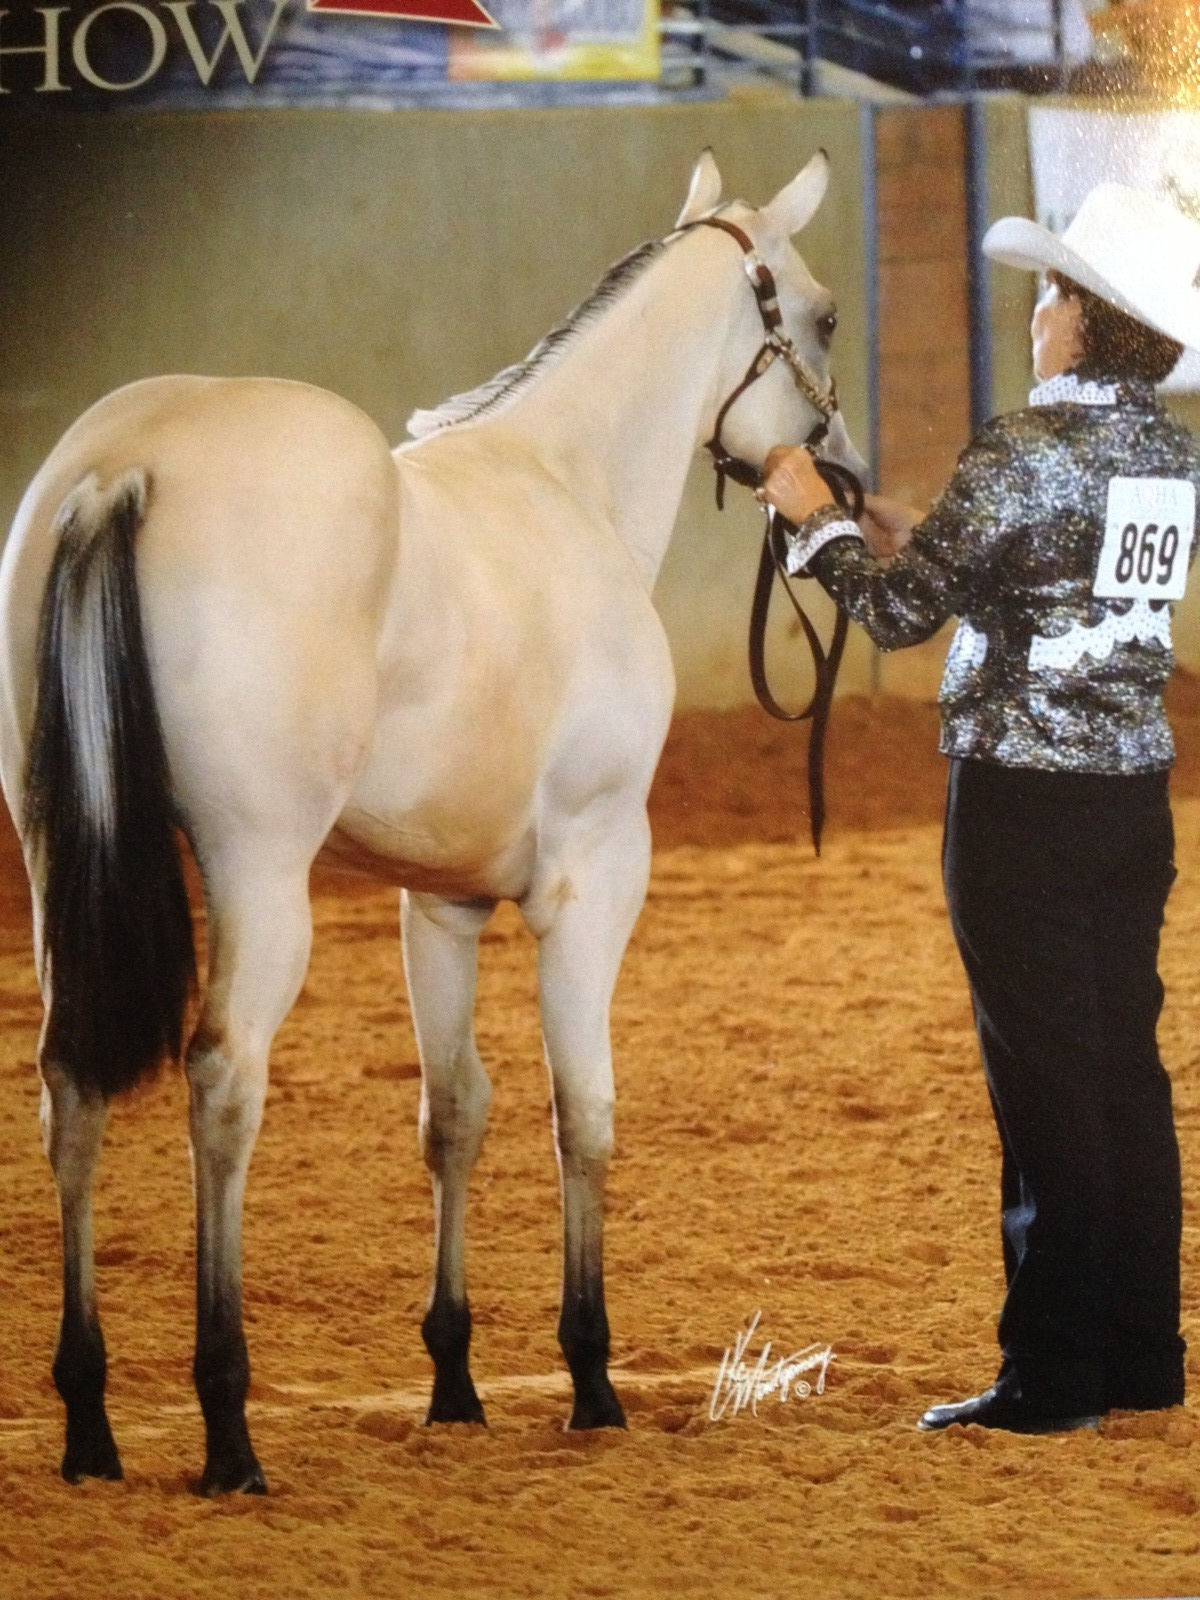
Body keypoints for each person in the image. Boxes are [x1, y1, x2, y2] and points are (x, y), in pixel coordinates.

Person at [760, 182, 1200, 1434]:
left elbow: (902, 619)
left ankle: (1051, 1372)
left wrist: (814, 529)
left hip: (1020, 805)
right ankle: (1141, 1354)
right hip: (1131, 802)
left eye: (1053, 294)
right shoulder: (1170, 454)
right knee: (1122, 1070)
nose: (1037, 313)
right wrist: (908, 529)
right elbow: (1058, 577)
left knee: (1044, 1080)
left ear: (1089, 321)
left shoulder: (1024, 451)